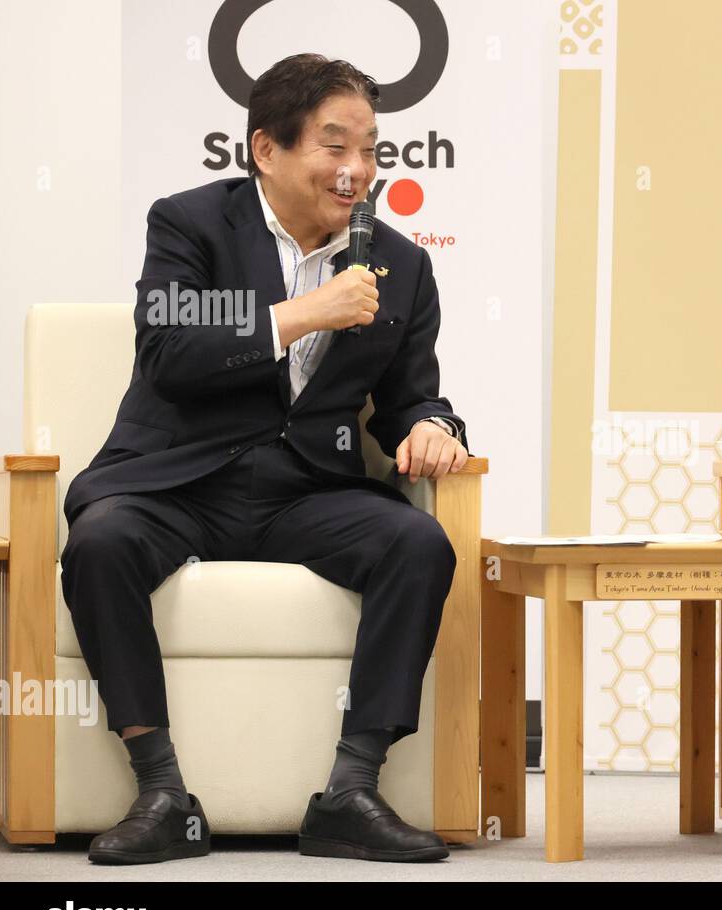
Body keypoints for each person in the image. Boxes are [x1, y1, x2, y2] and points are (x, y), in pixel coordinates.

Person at [61, 53, 469, 865]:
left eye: (370, 149)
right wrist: (305, 311)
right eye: (333, 146)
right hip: (180, 478)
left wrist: (435, 426)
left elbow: (407, 397)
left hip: (304, 489)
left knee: (419, 543)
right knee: (101, 542)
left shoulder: (401, 262)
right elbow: (172, 349)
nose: (356, 171)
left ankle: (351, 791)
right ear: (265, 150)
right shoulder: (193, 225)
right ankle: (162, 791)